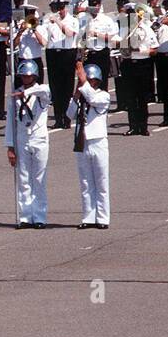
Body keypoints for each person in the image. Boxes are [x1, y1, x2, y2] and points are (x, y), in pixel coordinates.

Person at [5, 60, 51, 228]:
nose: (26, 78)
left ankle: (39, 216)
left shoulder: (41, 93)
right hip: (22, 138)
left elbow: (44, 89)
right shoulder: (16, 94)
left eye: (29, 76)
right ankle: (25, 215)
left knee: (39, 179)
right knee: (23, 179)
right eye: (23, 76)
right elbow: (11, 122)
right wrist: (10, 146)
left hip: (39, 138)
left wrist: (27, 93)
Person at [68, 62, 111, 229]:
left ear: (97, 81)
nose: (87, 83)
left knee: (101, 181)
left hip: (98, 141)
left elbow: (93, 98)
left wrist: (82, 79)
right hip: (82, 141)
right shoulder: (81, 97)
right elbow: (69, 114)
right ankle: (88, 217)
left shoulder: (103, 96)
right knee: (85, 182)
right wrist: (75, 96)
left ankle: (102, 218)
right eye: (87, 80)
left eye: (91, 80)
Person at [117, 2, 157, 136]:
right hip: (129, 64)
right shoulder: (125, 29)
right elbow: (122, 47)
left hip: (142, 64)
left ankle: (143, 127)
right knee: (131, 97)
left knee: (142, 97)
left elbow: (154, 49)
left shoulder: (147, 29)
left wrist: (140, 50)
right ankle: (133, 126)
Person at [44, 0, 79, 129]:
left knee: (66, 87)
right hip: (53, 54)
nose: (60, 11)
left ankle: (67, 118)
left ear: (66, 8)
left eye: (62, 8)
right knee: (55, 87)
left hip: (67, 53)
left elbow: (69, 34)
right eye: (58, 8)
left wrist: (58, 21)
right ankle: (58, 118)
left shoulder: (72, 20)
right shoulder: (49, 21)